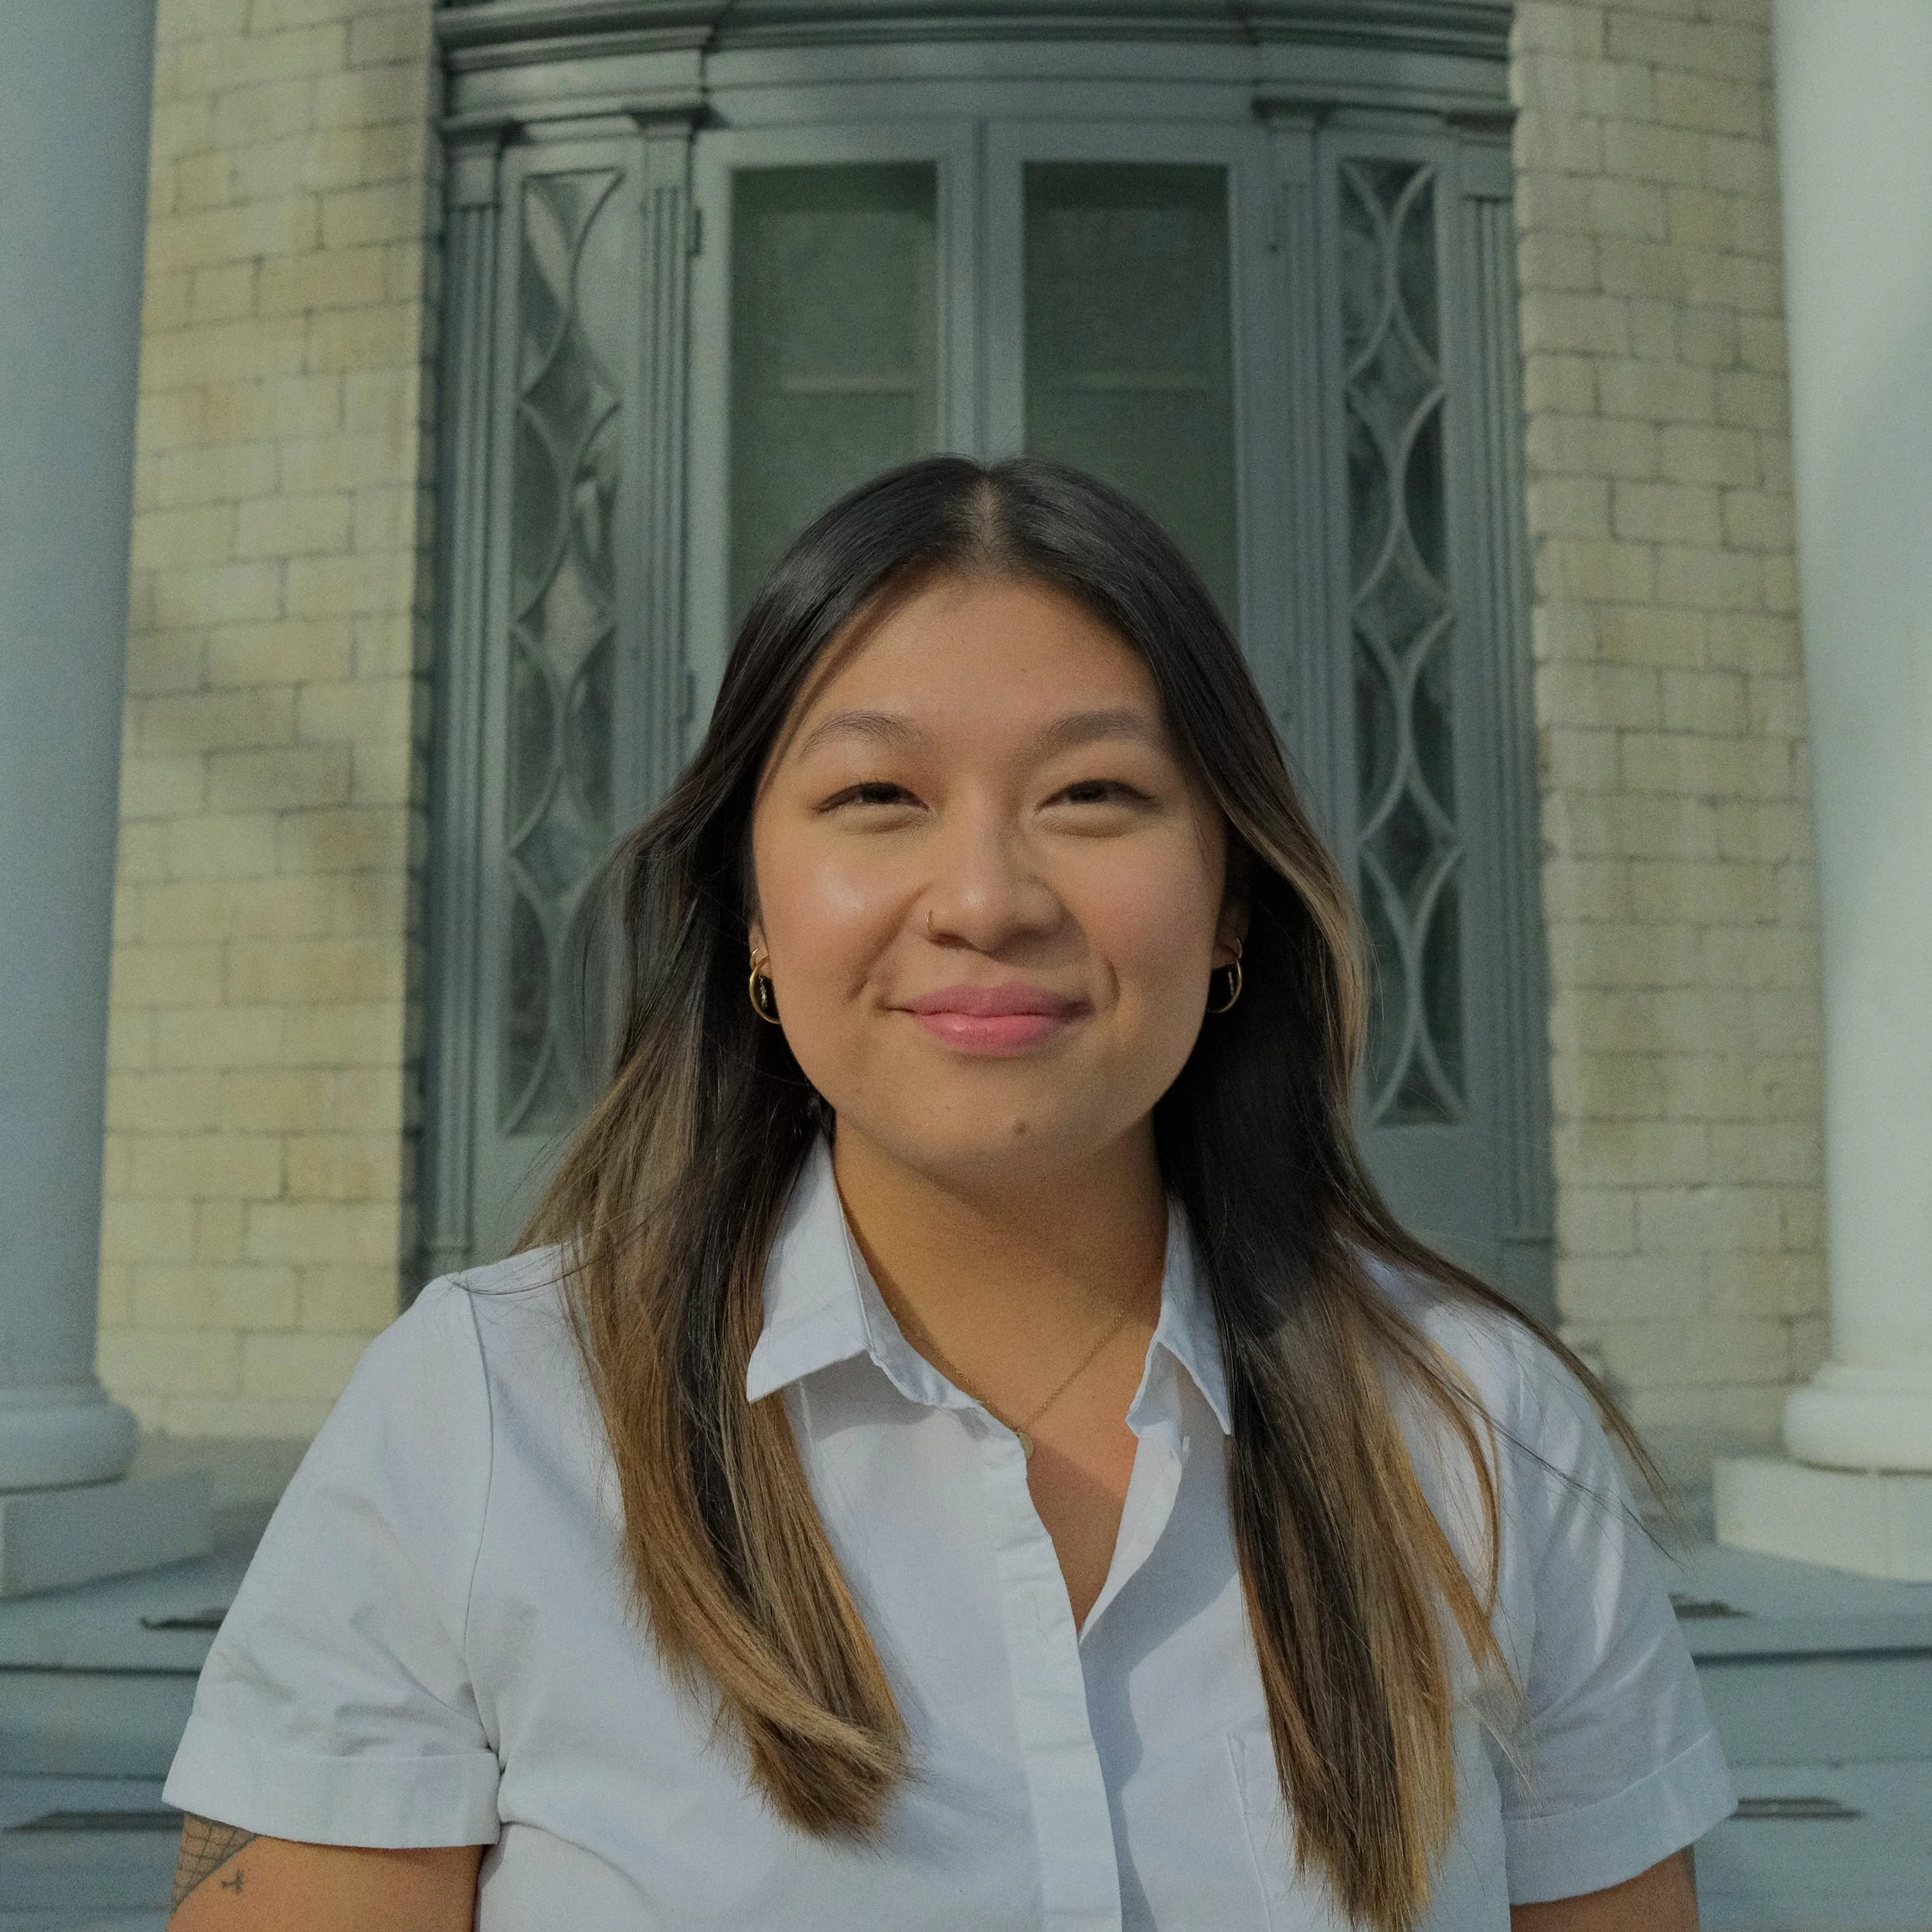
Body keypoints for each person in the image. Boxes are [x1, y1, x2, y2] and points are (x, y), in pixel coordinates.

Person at [162, 457, 1734, 1930]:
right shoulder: (489, 1414)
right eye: (876, 799)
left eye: (1094, 794)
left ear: (1230, 893)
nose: (986, 898)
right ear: (751, 917)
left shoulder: (1476, 1429)